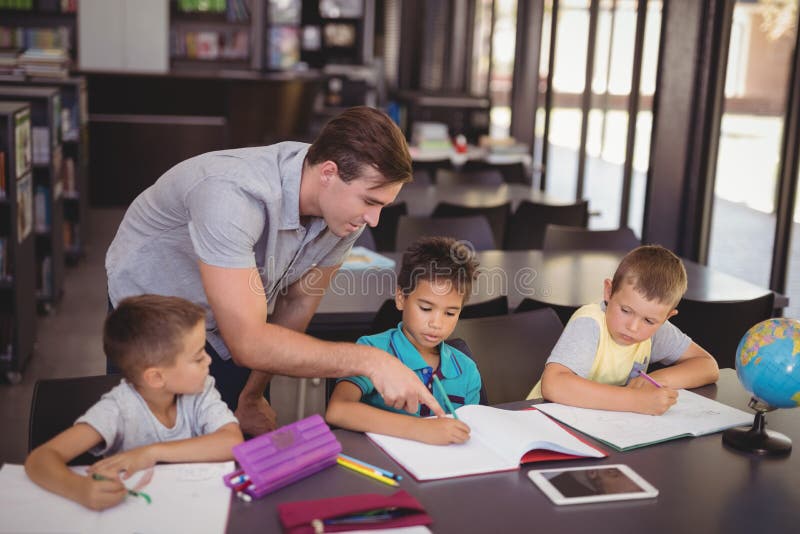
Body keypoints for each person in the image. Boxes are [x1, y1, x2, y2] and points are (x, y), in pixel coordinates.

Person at [105, 106, 444, 436]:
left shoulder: (343, 211)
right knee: (160, 449)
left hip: (233, 324)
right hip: (154, 317)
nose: (374, 221)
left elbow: (297, 304)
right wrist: (372, 361)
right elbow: (249, 342)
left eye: (382, 205)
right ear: (328, 173)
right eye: (370, 202)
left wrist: (252, 396)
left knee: (240, 445)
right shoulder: (232, 195)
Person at [25, 295, 243, 511]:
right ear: (156, 377)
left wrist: (152, 452)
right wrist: (80, 489)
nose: (209, 360)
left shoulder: (201, 389)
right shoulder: (118, 409)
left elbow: (232, 442)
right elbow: (39, 459)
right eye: (198, 357)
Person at [529, 245, 719, 415]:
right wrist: (636, 401)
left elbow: (708, 366)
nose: (633, 327)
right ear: (609, 292)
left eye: (649, 321)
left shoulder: (657, 330)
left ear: (666, 318)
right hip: (542, 420)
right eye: (626, 311)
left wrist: (658, 379)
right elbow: (554, 385)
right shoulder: (590, 323)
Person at [326, 237, 482, 445]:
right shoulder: (372, 350)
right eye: (426, 309)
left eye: (450, 313)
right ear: (401, 298)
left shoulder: (466, 370)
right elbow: (338, 410)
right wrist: (420, 429)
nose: (437, 323)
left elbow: (473, 431)